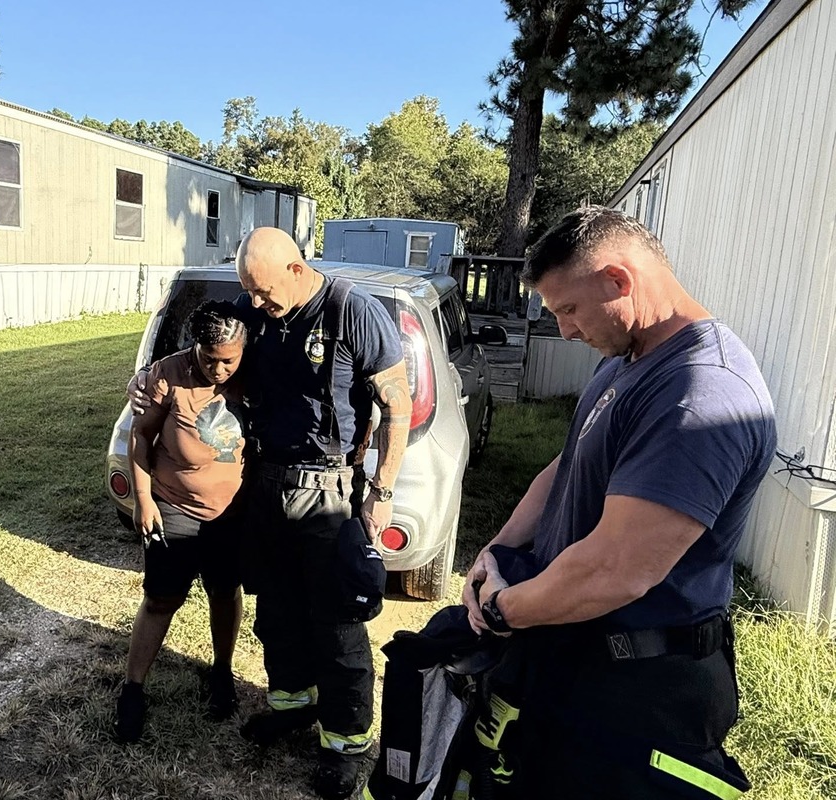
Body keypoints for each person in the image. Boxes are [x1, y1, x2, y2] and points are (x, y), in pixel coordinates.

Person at [462, 206, 776, 798]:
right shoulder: (627, 361)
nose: (567, 331)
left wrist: (504, 611)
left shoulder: (700, 393)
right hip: (578, 653)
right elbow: (567, 468)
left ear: (618, 279)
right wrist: (495, 551)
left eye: (569, 309)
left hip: (641, 683)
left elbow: (617, 571)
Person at [131, 226, 412, 799]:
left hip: (328, 491)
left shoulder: (352, 313)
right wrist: (149, 378)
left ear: (296, 267)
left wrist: (381, 491)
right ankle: (292, 704)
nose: (253, 305)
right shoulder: (256, 306)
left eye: (261, 292)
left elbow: (398, 406)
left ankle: (345, 743)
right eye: (248, 293)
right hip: (266, 484)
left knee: (336, 624)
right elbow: (207, 340)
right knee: (277, 609)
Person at [116, 301, 249, 743]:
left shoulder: (256, 371)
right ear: (196, 347)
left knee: (224, 592)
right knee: (160, 598)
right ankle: (133, 689)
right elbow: (140, 437)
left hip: (230, 514)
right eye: (210, 359)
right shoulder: (168, 375)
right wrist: (143, 500)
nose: (219, 369)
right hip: (173, 507)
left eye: (229, 359)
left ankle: (223, 673)